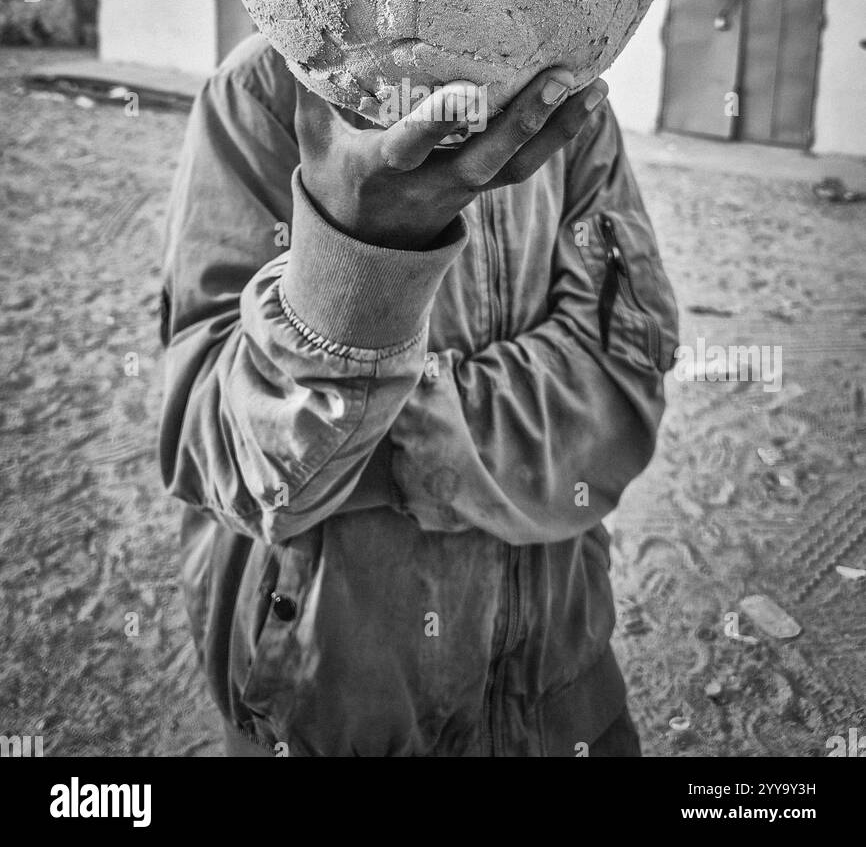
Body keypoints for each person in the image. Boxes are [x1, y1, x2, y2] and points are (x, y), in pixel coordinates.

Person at [159, 37, 679, 757]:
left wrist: (361, 415)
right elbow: (233, 464)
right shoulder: (267, 94)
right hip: (328, 712)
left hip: (560, 689)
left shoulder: (559, 98)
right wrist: (357, 254)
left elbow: (621, 393)